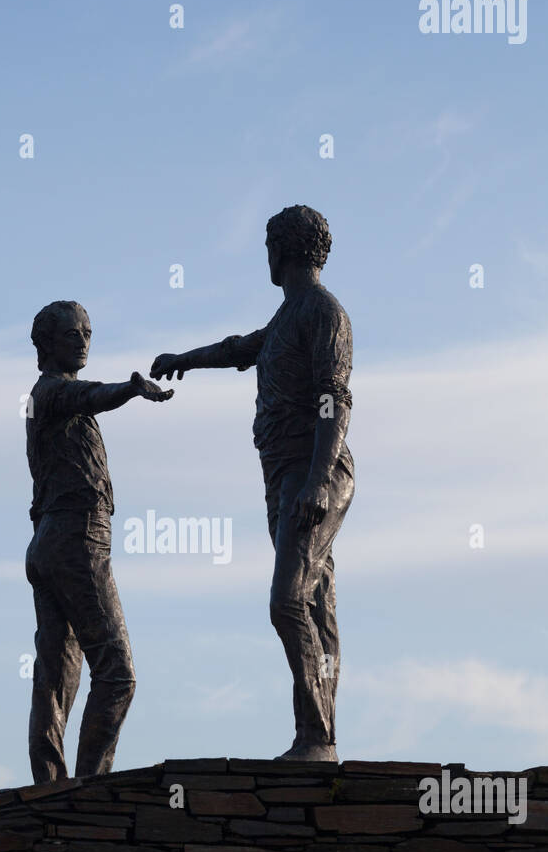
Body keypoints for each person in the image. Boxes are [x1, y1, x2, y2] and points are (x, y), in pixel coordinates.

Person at [151, 205, 354, 761]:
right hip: (284, 473)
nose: (264, 257)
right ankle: (318, 737)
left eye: (267, 246)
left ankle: (317, 736)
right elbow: (242, 348)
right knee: (315, 601)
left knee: (287, 602)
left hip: (313, 471)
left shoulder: (323, 312)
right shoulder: (286, 317)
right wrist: (184, 360)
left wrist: (316, 480)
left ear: (283, 249)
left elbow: (335, 397)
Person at [25, 300, 173, 782]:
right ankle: (89, 788)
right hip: (75, 541)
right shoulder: (51, 393)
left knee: (56, 674)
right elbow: (91, 396)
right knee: (117, 674)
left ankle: (50, 784)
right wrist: (129, 389)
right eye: (73, 334)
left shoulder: (46, 400)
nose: (84, 340)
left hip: (50, 542)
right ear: (47, 343)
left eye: (88, 332)